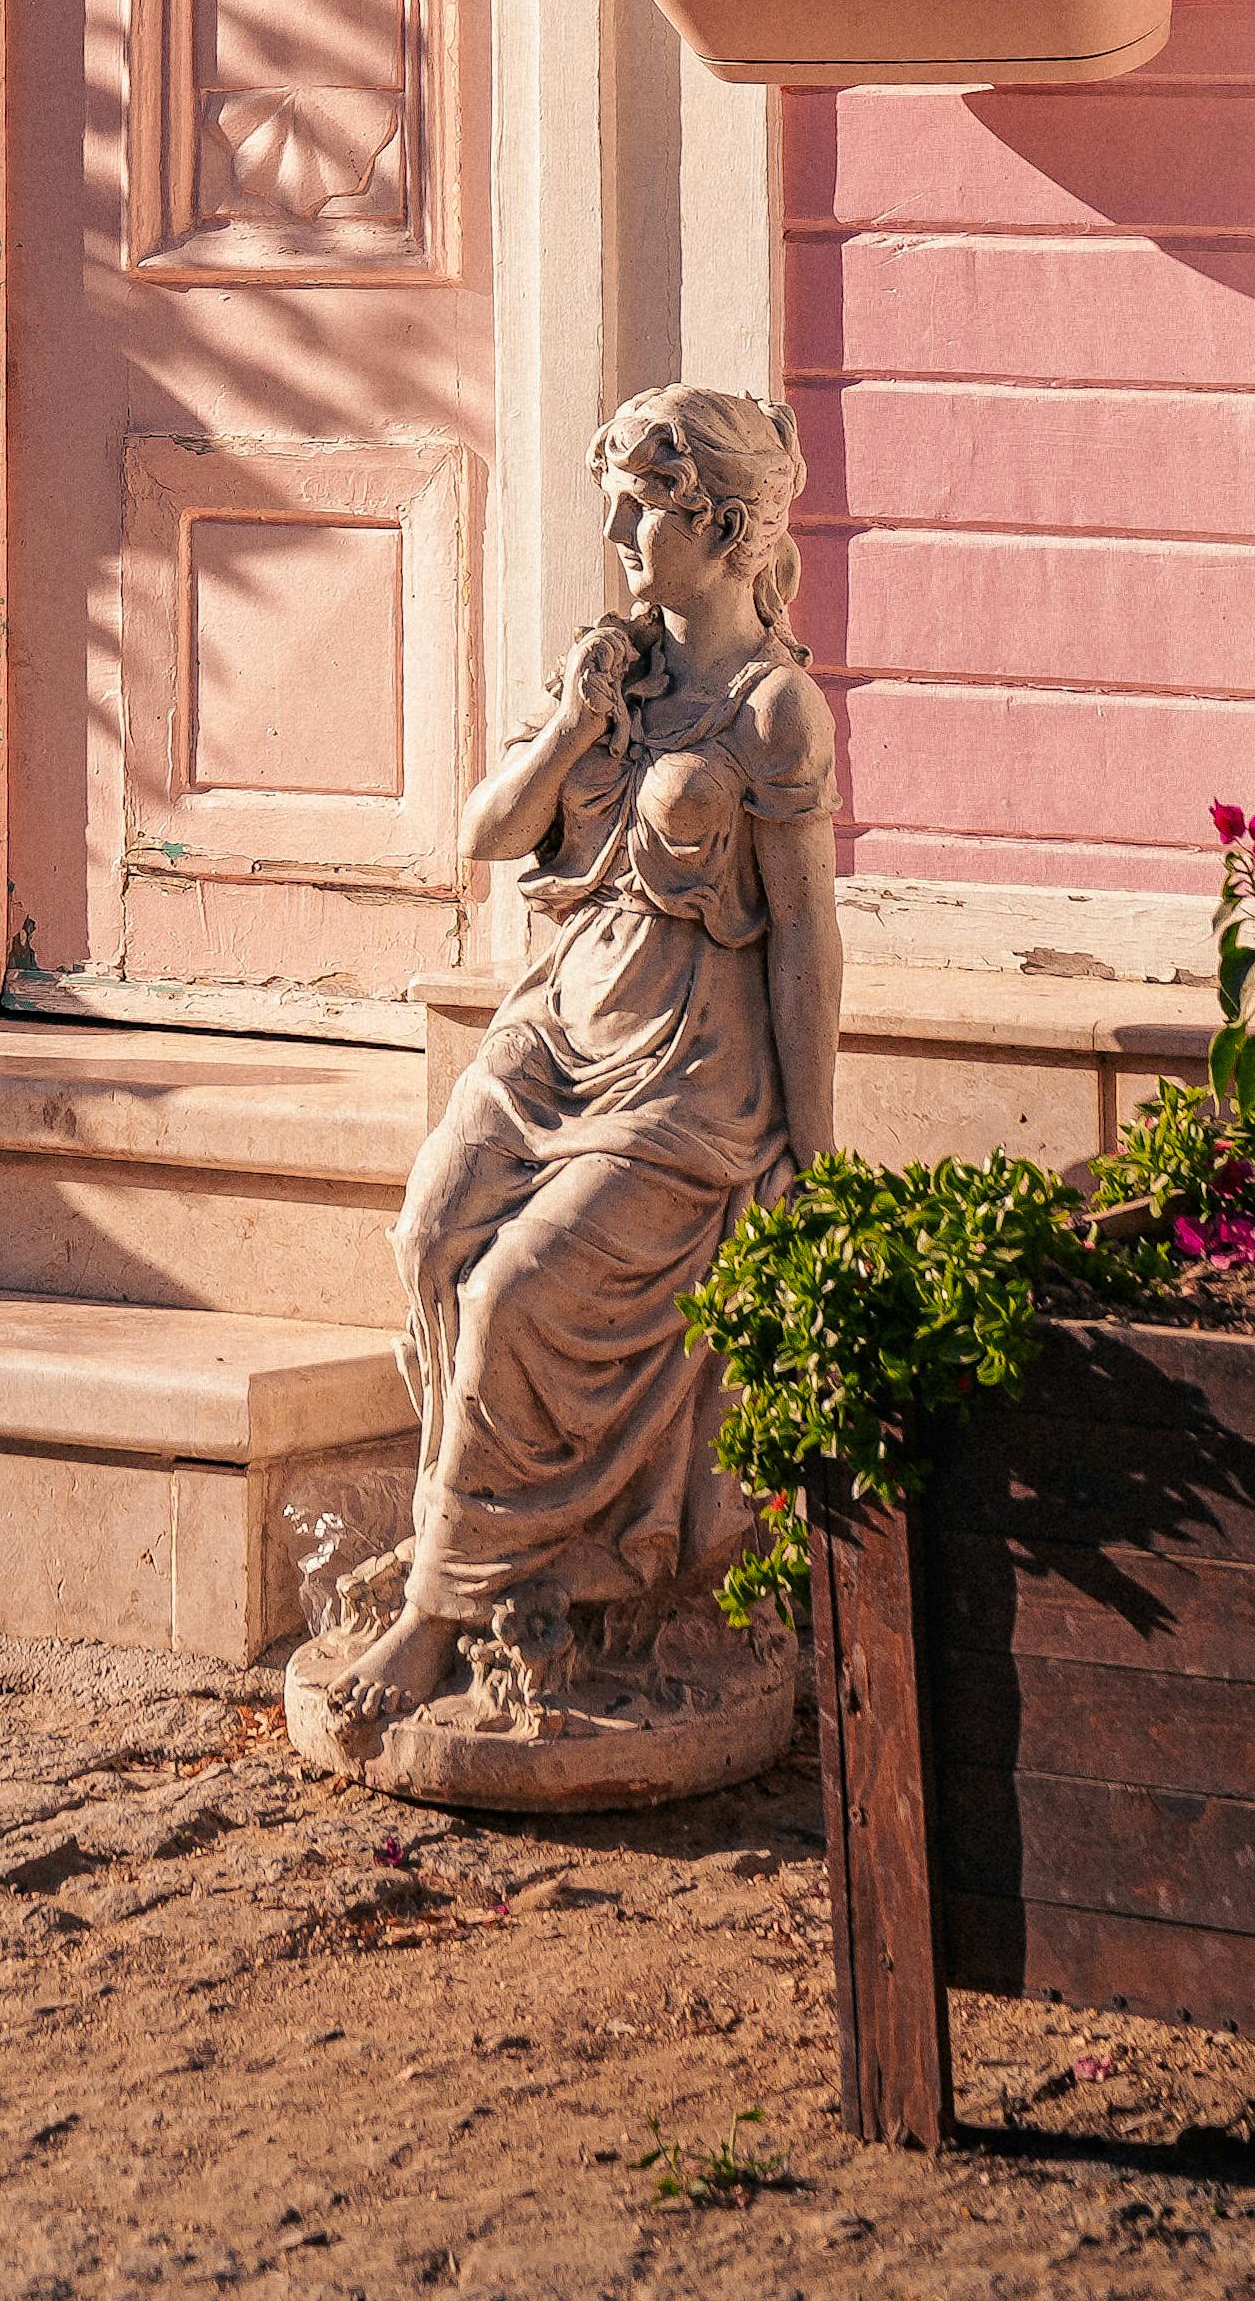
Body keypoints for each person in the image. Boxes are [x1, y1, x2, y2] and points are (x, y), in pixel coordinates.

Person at [326, 381, 841, 1725]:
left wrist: (813, 1149)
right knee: (429, 1236)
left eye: (641, 511)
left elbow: (803, 937)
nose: (615, 536)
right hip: (553, 1029)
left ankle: (445, 1608)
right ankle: (496, 1550)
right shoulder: (610, 664)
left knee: (511, 1296)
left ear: (722, 529)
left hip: (686, 1074)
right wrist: (571, 722)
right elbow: (487, 837)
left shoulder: (774, 710)